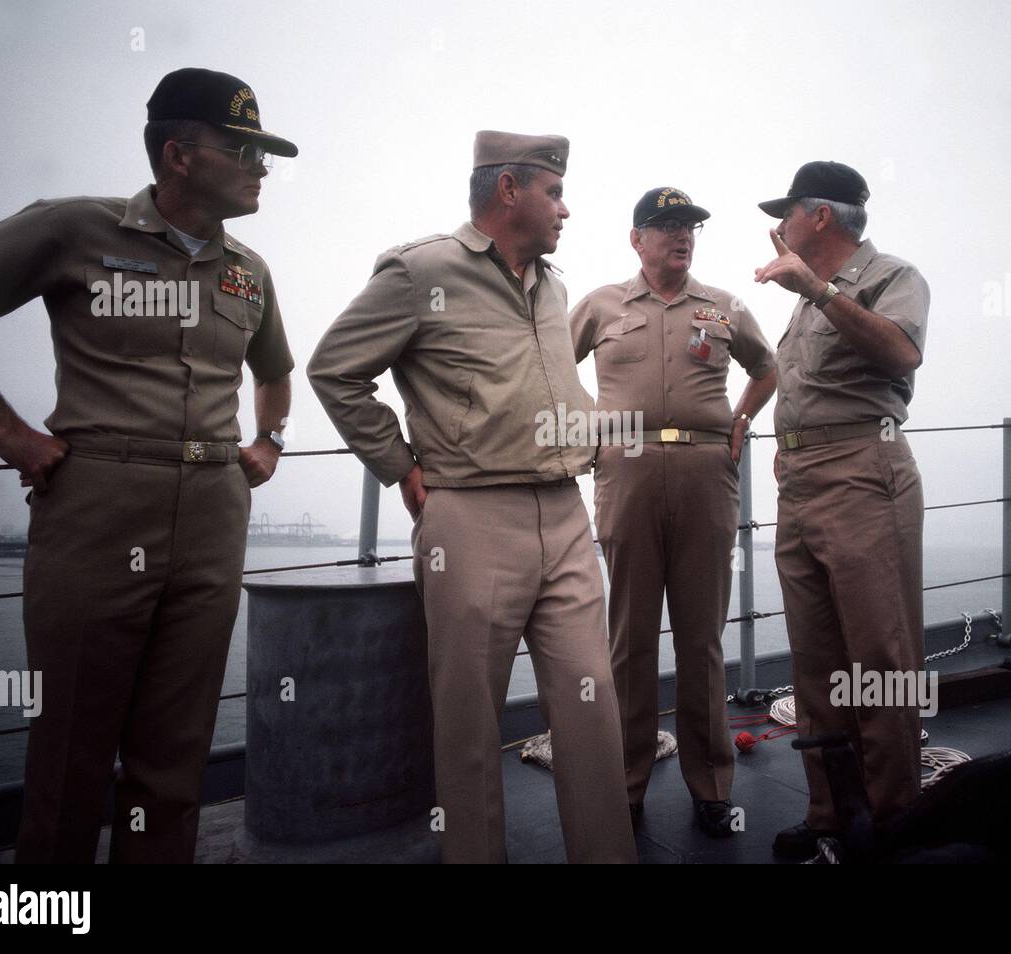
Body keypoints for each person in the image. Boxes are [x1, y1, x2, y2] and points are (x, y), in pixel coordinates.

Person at [0, 68, 296, 862]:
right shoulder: (74, 229)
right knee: (68, 759)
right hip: (96, 505)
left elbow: (276, 371)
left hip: (213, 510)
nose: (261, 166)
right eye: (243, 149)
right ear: (178, 155)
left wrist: (270, 440)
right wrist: (5, 433)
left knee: (175, 763)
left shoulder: (251, 273)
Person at [307, 130, 636, 864]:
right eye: (554, 192)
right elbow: (335, 370)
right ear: (508, 190)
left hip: (566, 514)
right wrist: (398, 464)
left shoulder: (553, 285)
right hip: (471, 518)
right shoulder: (419, 269)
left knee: (592, 710)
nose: (565, 209)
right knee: (468, 726)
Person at [568, 187, 775, 836]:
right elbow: (545, 364)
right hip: (625, 473)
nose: (680, 236)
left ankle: (711, 785)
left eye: (688, 227)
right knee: (628, 641)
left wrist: (740, 420)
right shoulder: (602, 305)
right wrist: (587, 429)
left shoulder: (723, 306)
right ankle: (625, 785)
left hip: (706, 477)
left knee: (701, 640)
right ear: (637, 238)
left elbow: (767, 369)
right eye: (665, 226)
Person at [752, 161, 929, 862]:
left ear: (819, 216)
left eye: (788, 211)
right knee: (817, 663)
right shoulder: (806, 298)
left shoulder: (892, 277)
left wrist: (818, 290)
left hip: (863, 475)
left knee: (880, 658)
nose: (779, 226)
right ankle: (829, 814)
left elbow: (902, 351)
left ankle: (895, 822)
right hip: (798, 480)